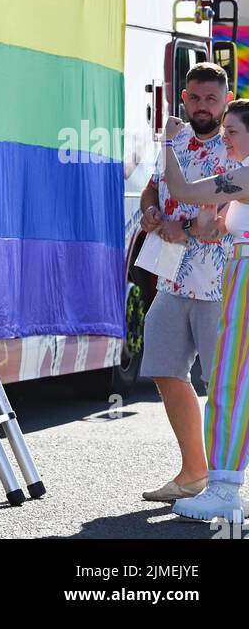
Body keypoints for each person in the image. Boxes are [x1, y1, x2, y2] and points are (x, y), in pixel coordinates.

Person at [138, 62, 233, 504]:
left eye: (210, 99)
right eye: (194, 98)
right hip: (173, 278)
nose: (201, 106)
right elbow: (153, 187)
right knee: (162, 367)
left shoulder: (234, 146)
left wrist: (187, 230)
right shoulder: (174, 140)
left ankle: (224, 482)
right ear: (184, 99)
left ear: (225, 101)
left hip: (220, 283)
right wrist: (151, 212)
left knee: (223, 384)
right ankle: (194, 472)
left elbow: (222, 216)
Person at [161, 98, 249, 522]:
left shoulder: (245, 174)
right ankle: (223, 485)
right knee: (232, 385)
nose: (224, 138)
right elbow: (214, 230)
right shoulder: (239, 176)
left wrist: (168, 145)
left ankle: (225, 489)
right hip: (237, 272)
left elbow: (180, 189)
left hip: (245, 276)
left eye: (232, 131)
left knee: (229, 385)